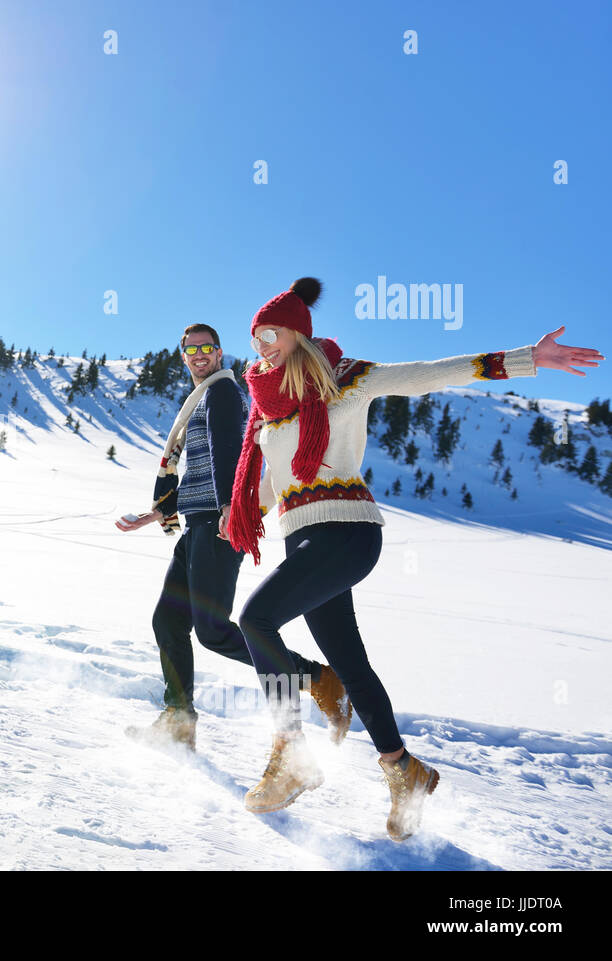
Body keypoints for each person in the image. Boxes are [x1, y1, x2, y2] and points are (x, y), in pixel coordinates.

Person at [221, 277, 603, 840]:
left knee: (255, 619)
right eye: (255, 338)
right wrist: (213, 512)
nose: (262, 347)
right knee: (349, 664)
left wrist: (527, 358)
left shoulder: (346, 379)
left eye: (271, 334)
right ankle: (405, 770)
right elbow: (270, 492)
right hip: (303, 540)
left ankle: (291, 758)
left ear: (300, 335)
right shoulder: (268, 413)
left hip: (347, 535)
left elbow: (430, 373)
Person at [116, 323, 352, 752]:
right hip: (197, 525)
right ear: (183, 355)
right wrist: (156, 513)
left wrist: (229, 506)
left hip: (218, 527)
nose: (199, 354)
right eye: (191, 349)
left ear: (220, 353)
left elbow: (232, 453)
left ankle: (319, 679)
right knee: (167, 622)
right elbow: (197, 474)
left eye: (207, 347)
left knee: (214, 632)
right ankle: (178, 717)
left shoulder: (223, 392)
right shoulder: (203, 398)